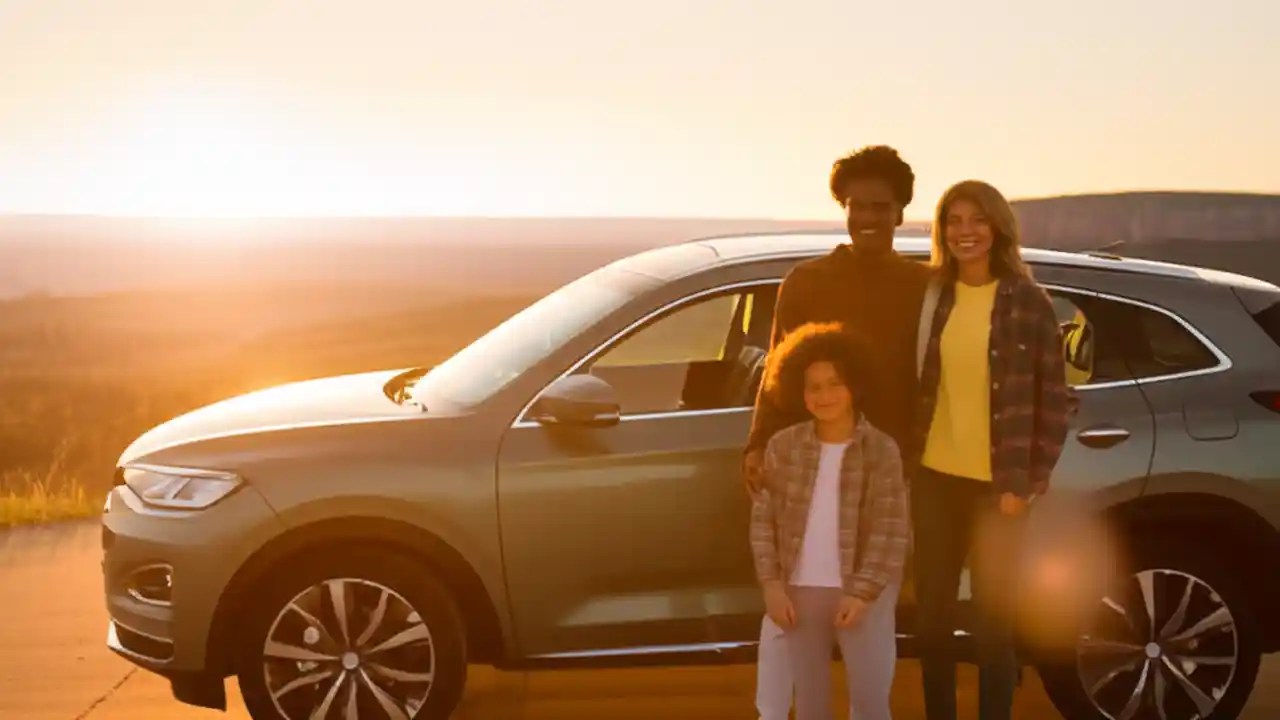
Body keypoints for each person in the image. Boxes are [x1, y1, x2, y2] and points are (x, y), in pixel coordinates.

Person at [744, 145, 930, 720]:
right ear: (843, 210)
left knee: (870, 616)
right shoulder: (806, 282)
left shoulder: (923, 288)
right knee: (790, 617)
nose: (868, 217)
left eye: (881, 206)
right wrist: (757, 443)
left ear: (901, 211)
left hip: (888, 473)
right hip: (808, 470)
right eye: (856, 206)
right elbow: (777, 370)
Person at [912, 180, 1071, 720]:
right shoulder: (933, 296)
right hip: (935, 480)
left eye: (976, 220)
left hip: (998, 489)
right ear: (942, 231)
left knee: (992, 627)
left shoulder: (1027, 302)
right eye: (954, 221)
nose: (965, 232)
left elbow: (1055, 397)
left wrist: (1028, 482)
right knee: (931, 623)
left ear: (997, 226)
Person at [750, 323, 911, 720]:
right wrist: (772, 585)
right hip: (800, 592)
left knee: (871, 700)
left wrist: (861, 593)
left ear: (855, 385)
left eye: (835, 384)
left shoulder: (880, 450)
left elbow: (890, 531)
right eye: (813, 387)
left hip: (862, 595)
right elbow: (763, 522)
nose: (824, 396)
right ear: (798, 393)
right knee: (810, 703)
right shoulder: (783, 447)